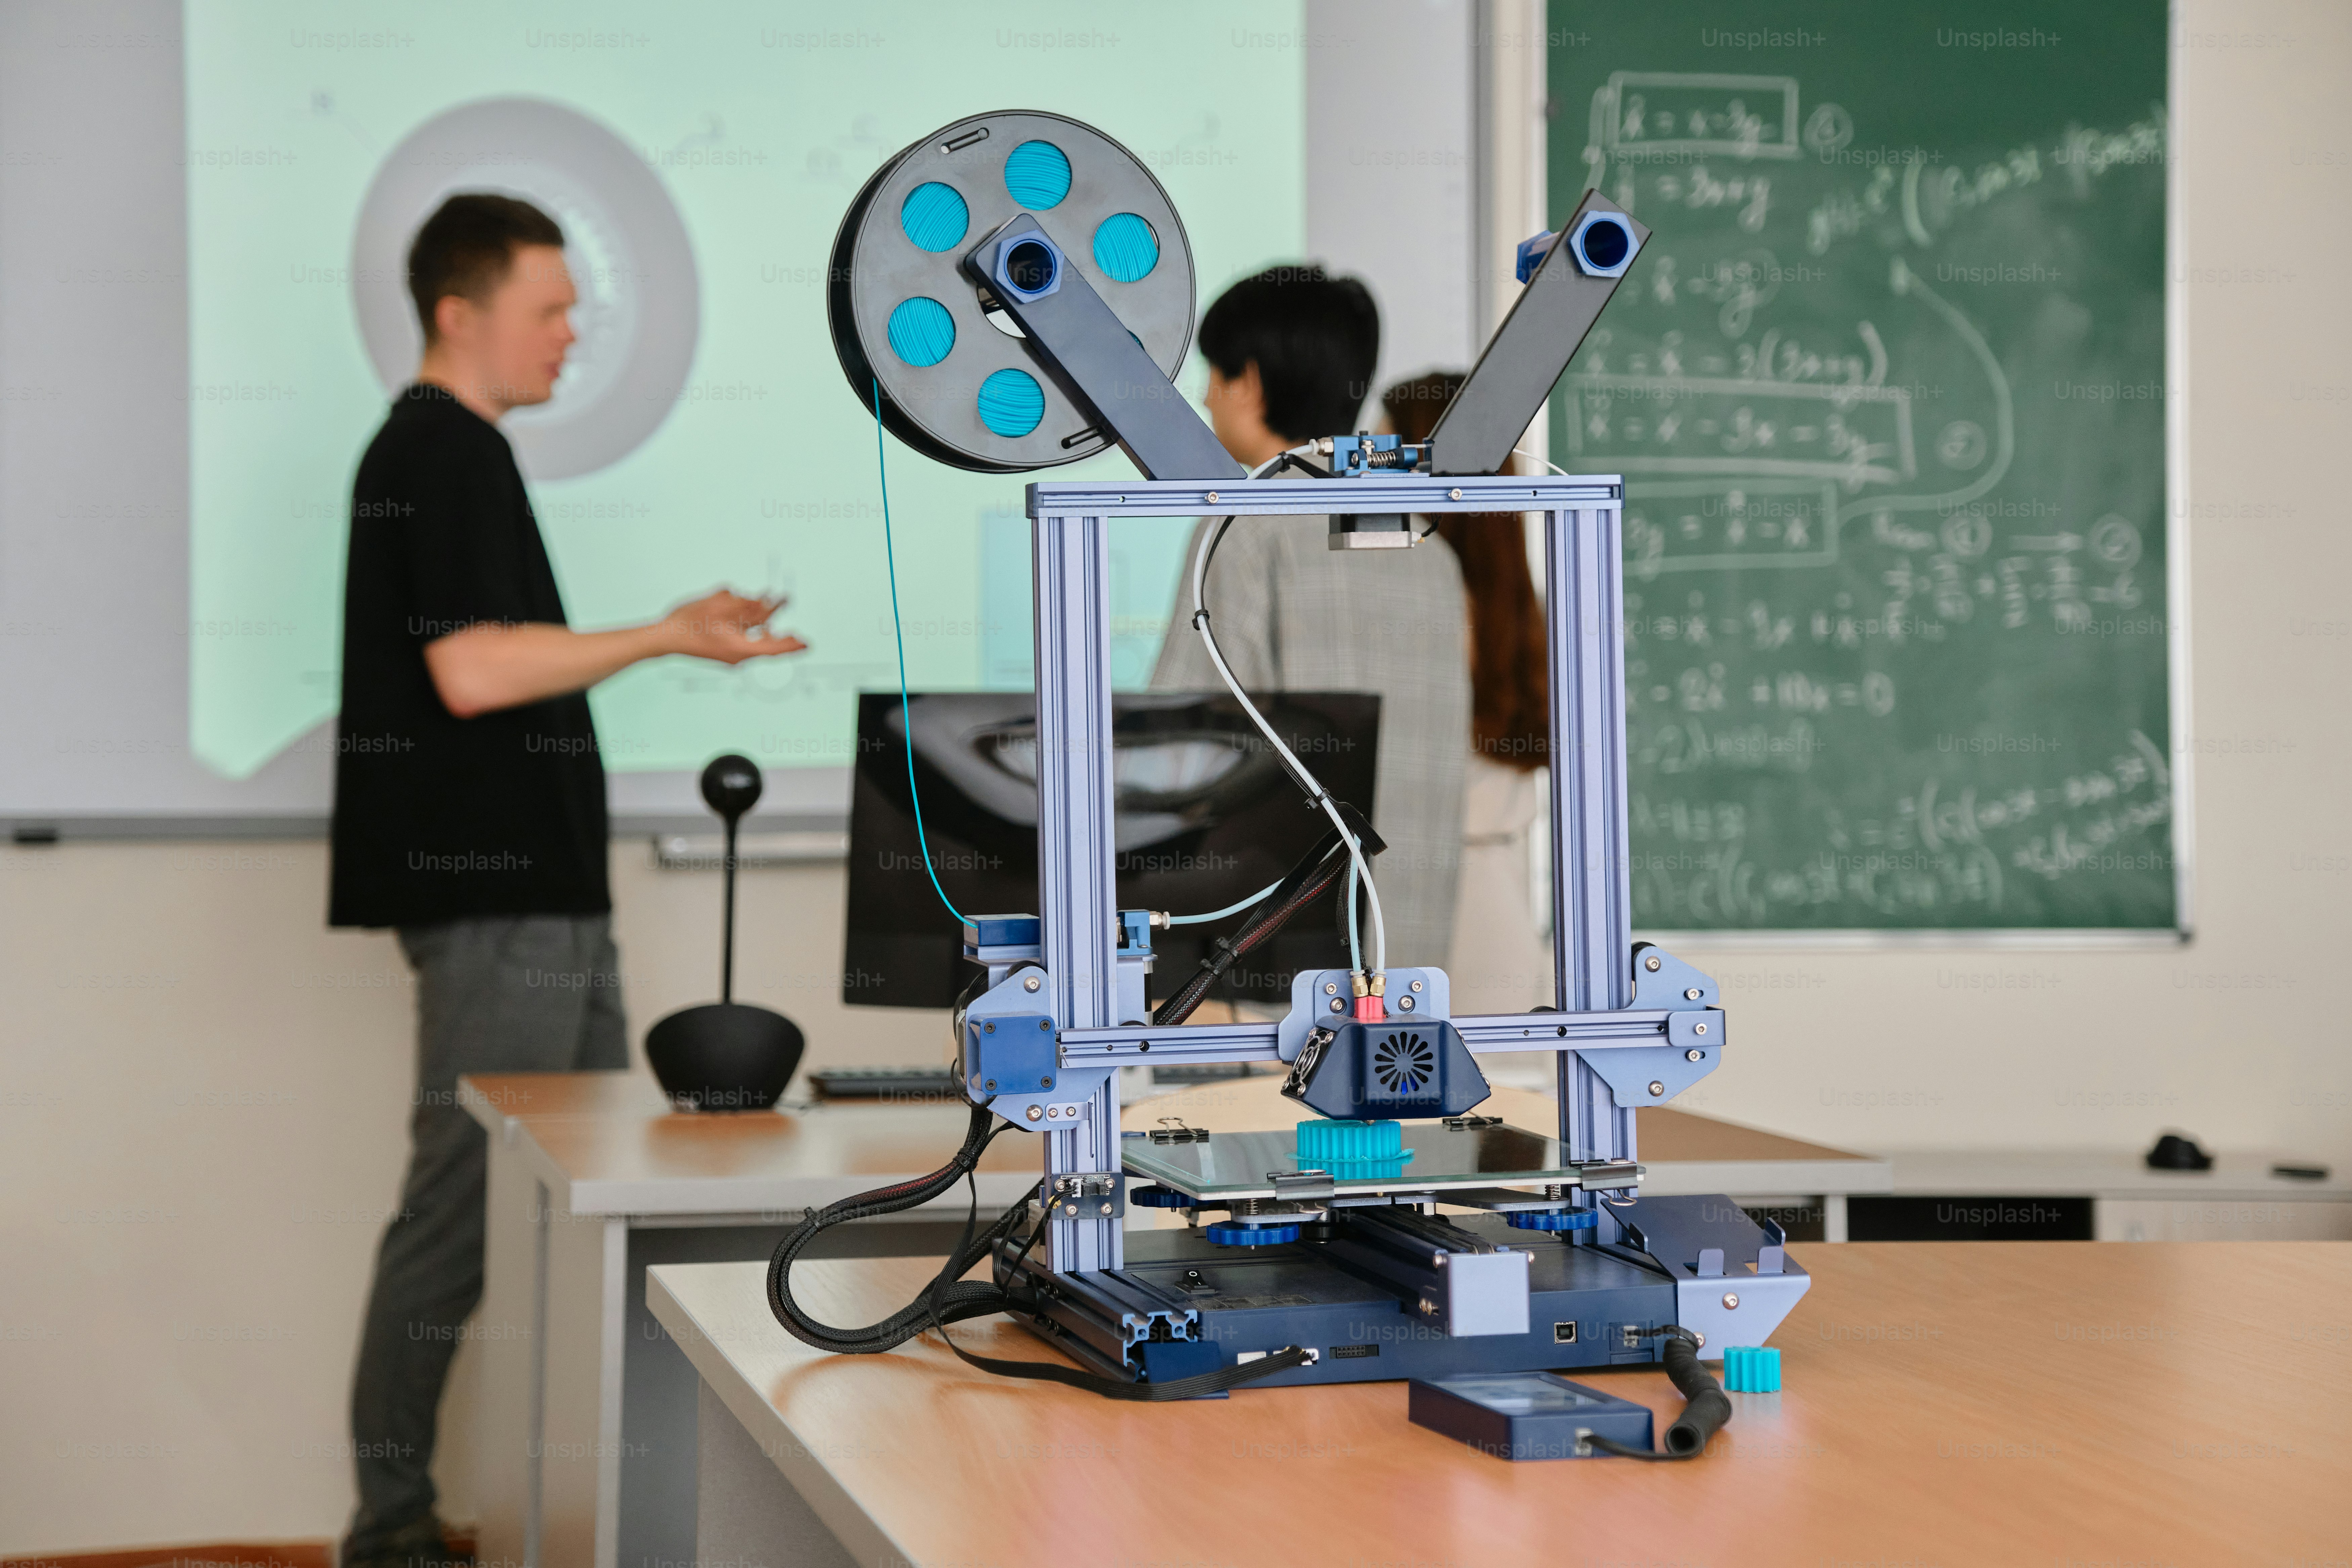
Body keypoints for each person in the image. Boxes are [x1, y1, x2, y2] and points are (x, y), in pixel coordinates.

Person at [329, 194, 803, 1568]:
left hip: (542, 901)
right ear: (458, 313)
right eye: (549, 310)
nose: (570, 335)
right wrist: (665, 635)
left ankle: (612, 1527)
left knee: (601, 1196)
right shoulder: (435, 450)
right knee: (457, 1219)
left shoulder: (460, 454)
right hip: (495, 908)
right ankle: (392, 1531)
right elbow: (472, 670)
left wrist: (667, 636)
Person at [1151, 267, 1469, 976]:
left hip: (1271, 966)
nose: (1203, 396)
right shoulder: (1430, 550)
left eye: (1214, 372)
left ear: (1251, 382)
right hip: (1410, 960)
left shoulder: (1246, 526)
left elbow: (1183, 742)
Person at [1381, 371, 1553, 1015]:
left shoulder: (1424, 602)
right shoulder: (1514, 602)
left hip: (1437, 913)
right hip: (1502, 908)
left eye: (1384, 451)